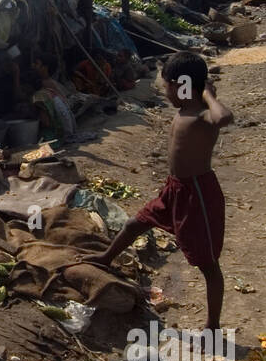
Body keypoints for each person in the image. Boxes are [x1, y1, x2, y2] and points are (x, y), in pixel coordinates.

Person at [99, 53, 232, 340]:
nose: (166, 93)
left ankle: (212, 326)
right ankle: (106, 257)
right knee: (135, 223)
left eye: (167, 87)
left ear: (180, 85)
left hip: (197, 194)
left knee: (208, 264)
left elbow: (225, 117)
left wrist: (208, 93)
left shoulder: (203, 114)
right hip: (174, 188)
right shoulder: (187, 108)